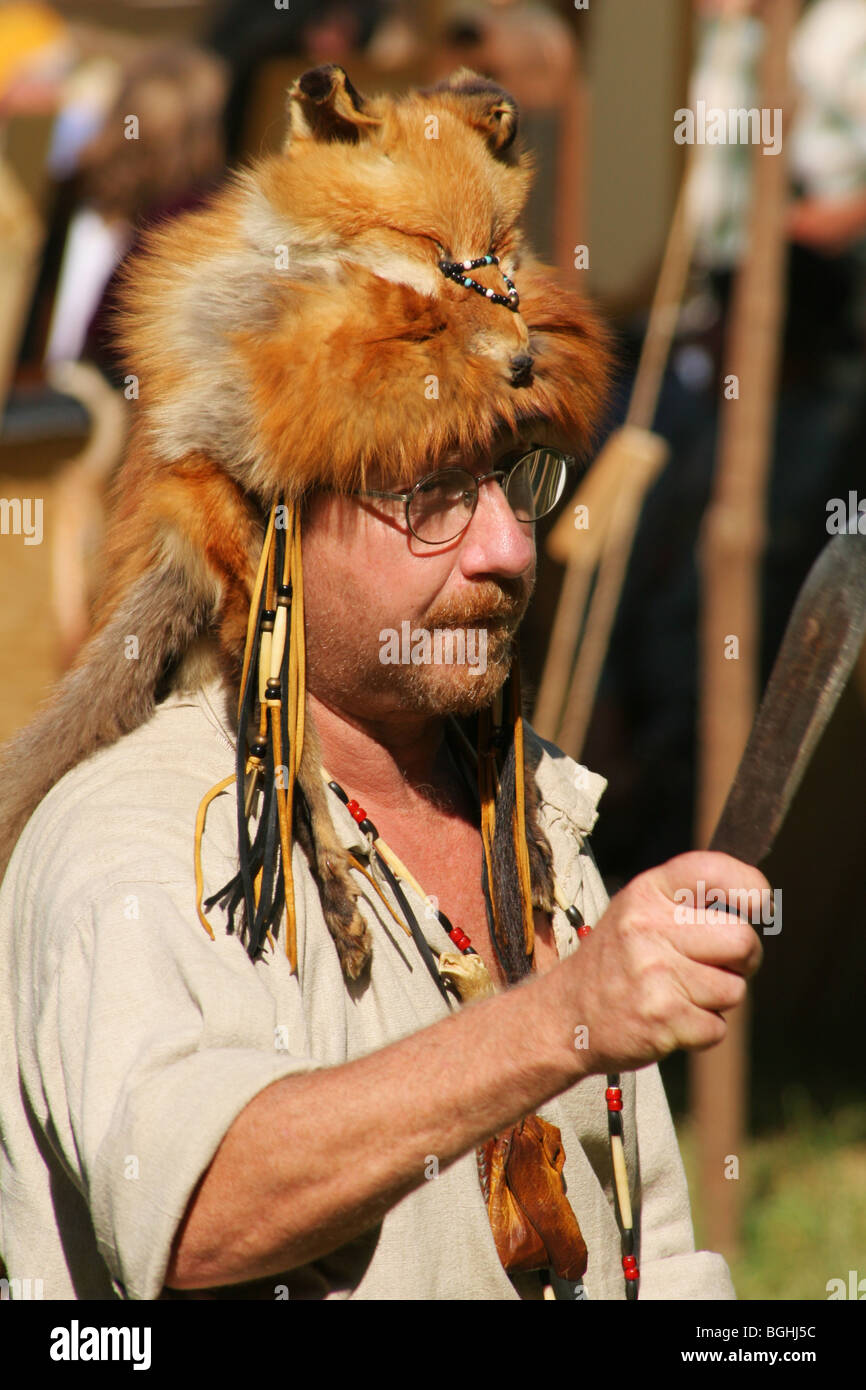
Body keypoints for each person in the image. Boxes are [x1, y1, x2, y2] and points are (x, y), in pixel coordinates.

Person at [0, 65, 765, 1301]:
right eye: (427, 496)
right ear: (274, 520)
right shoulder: (138, 842)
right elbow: (191, 1213)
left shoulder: (531, 828)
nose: (508, 549)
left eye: (511, 482)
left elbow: (646, 1247)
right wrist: (559, 1015)